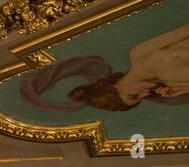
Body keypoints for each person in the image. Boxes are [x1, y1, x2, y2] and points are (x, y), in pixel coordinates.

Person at [22, 22, 189, 112]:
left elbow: (184, 30)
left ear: (116, 87)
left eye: (133, 95)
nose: (144, 94)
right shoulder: (173, 82)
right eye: (139, 98)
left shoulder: (139, 55)